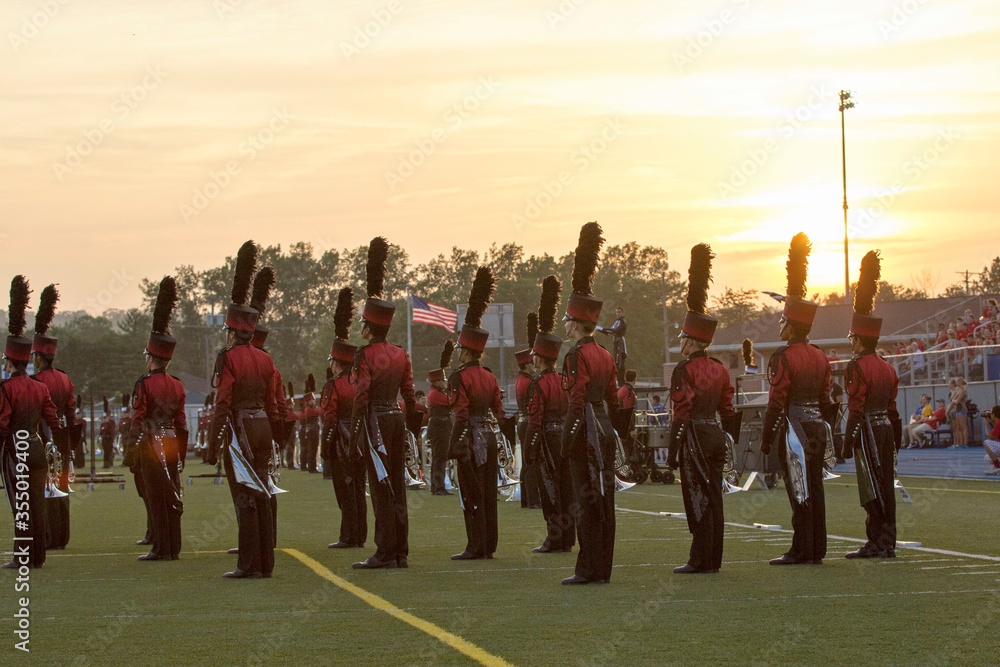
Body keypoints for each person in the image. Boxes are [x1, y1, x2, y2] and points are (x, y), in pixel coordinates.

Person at [206, 241, 281, 579]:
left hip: (240, 430)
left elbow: (222, 404)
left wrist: (211, 443)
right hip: (263, 426)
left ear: (233, 329)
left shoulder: (228, 357)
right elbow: (273, 400)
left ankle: (248, 563)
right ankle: (265, 561)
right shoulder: (266, 358)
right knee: (262, 491)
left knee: (245, 495)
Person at [760, 233, 833, 566]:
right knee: (815, 488)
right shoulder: (820, 356)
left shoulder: (783, 357)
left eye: (783, 321)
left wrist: (765, 439)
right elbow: (827, 398)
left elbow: (777, 401)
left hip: (795, 429)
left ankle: (801, 548)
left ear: (791, 325)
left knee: (798, 489)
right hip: (818, 426)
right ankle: (817, 547)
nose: (780, 325)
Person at [667, 244, 738, 574]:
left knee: (696, 496)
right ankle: (714, 558)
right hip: (715, 433)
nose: (679, 341)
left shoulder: (684, 370)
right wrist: (729, 438)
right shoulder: (721, 368)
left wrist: (671, 451)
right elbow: (729, 408)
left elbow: (681, 413)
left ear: (690, 340)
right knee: (714, 496)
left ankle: (699, 559)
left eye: (682, 336)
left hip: (694, 434)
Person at [350, 237, 417, 570]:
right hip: (396, 420)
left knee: (380, 488)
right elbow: (409, 393)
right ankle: (400, 551)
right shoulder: (400, 353)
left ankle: (384, 552)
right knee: (398, 488)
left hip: (375, 422)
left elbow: (361, 394)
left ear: (369, 325)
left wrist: (353, 433)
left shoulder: (366, 355)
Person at [559, 222, 618, 585]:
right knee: (604, 501)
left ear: (577, 322)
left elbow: (576, 401)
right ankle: (602, 567)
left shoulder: (574, 355)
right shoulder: (606, 355)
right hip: (605, 428)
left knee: (586, 500)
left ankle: (587, 568)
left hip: (586, 431)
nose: (564, 325)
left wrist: (567, 440)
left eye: (568, 319)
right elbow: (614, 398)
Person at [122, 277, 187, 562]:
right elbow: (182, 423)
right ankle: (174, 546)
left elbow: (138, 420)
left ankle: (160, 547)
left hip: (150, 443)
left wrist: (130, 449)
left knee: (156, 496)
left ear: (151, 358)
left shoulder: (144, 385)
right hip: (171, 441)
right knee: (172, 492)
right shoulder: (178, 384)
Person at [843, 250, 901, 559]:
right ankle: (888, 541)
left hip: (867, 430)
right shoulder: (888, 367)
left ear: (859, 338)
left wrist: (846, 441)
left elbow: (855, 409)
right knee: (886, 487)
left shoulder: (858, 367)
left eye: (852, 336)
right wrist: (898, 439)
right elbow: (893, 409)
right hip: (886, 429)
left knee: (870, 489)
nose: (850, 341)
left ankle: (875, 541)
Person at [1, 276, 61, 570]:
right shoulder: (40, 387)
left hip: (17, 450)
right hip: (37, 447)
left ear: (10, 362)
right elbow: (53, 419)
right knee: (37, 504)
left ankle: (22, 556)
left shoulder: (5, 389)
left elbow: (2, 425)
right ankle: (38, 556)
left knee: (21, 505)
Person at [448, 267, 504, 560]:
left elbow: (460, 414)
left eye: (460, 348)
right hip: (490, 438)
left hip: (470, 439)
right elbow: (500, 411)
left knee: (470, 493)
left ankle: (475, 546)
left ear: (466, 350)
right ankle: (489, 545)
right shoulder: (491, 376)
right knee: (488, 493)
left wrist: (452, 446)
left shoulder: (459, 377)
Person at [525, 274, 574, 554]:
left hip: (545, 438)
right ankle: (567, 538)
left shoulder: (538, 383)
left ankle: (553, 538)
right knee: (566, 488)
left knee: (549, 487)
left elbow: (535, 418)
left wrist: (531, 450)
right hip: (564, 435)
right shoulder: (562, 380)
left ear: (539, 358)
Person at [30, 284, 77, 550]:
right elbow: (71, 413)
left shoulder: (36, 380)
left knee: (45, 488)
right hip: (63, 438)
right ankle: (63, 537)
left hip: (44, 435)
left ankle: (49, 537)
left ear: (39, 357)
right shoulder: (65, 379)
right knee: (62, 487)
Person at [323, 287, 366, 549]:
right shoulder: (358, 382)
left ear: (335, 362)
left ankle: (348, 536)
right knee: (359, 489)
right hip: (361, 439)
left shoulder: (334, 385)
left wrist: (326, 448)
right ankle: (359, 534)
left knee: (344, 490)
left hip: (341, 441)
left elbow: (329, 419)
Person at [514, 321, 541, 509]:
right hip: (530, 422)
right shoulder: (530, 381)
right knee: (532, 462)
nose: (534, 366)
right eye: (531, 363)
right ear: (526, 365)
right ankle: (533, 500)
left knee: (526, 462)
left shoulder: (519, 380)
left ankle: (526, 499)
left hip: (522, 421)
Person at [427, 342, 454, 496]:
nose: (444, 383)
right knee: (439, 457)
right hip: (439, 426)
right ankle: (438, 487)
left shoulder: (435, 392)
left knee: (439, 457)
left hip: (440, 426)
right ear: (436, 381)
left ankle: (438, 486)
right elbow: (451, 401)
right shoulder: (435, 394)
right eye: (442, 381)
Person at [597, 305, 628, 386]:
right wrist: (600, 329)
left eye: (619, 312)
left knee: (620, 362)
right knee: (617, 363)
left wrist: (601, 329)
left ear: (623, 313)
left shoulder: (622, 321)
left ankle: (622, 383)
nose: (618, 314)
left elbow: (615, 330)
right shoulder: (617, 322)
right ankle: (620, 383)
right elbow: (611, 330)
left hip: (620, 343)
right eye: (616, 312)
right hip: (616, 343)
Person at [614, 369, 637, 457]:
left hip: (619, 424)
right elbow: (628, 410)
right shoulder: (629, 391)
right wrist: (631, 429)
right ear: (635, 378)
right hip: (625, 428)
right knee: (628, 449)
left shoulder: (621, 389)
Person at [948, 377, 969, 448]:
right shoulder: (959, 391)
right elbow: (955, 400)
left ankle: (965, 443)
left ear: (960, 382)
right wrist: (954, 401)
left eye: (957, 382)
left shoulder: (963, 390)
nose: (956, 383)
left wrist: (954, 401)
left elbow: (956, 401)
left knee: (963, 427)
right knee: (960, 427)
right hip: (958, 409)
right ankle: (961, 443)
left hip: (961, 409)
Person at [982, 406, 1000, 475]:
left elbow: (990, 437)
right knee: (987, 458)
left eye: (991, 413)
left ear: (994, 415)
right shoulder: (997, 423)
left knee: (987, 443)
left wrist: (986, 426)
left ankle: (997, 467)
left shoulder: (999, 423)